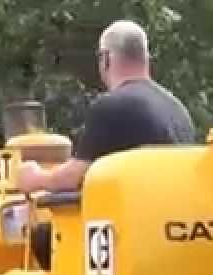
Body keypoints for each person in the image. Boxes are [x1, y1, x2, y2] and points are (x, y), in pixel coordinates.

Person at [16, 20, 195, 194]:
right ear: (146, 58)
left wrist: (37, 178)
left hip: (132, 218)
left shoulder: (112, 107)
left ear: (106, 59)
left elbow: (72, 178)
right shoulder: (179, 112)